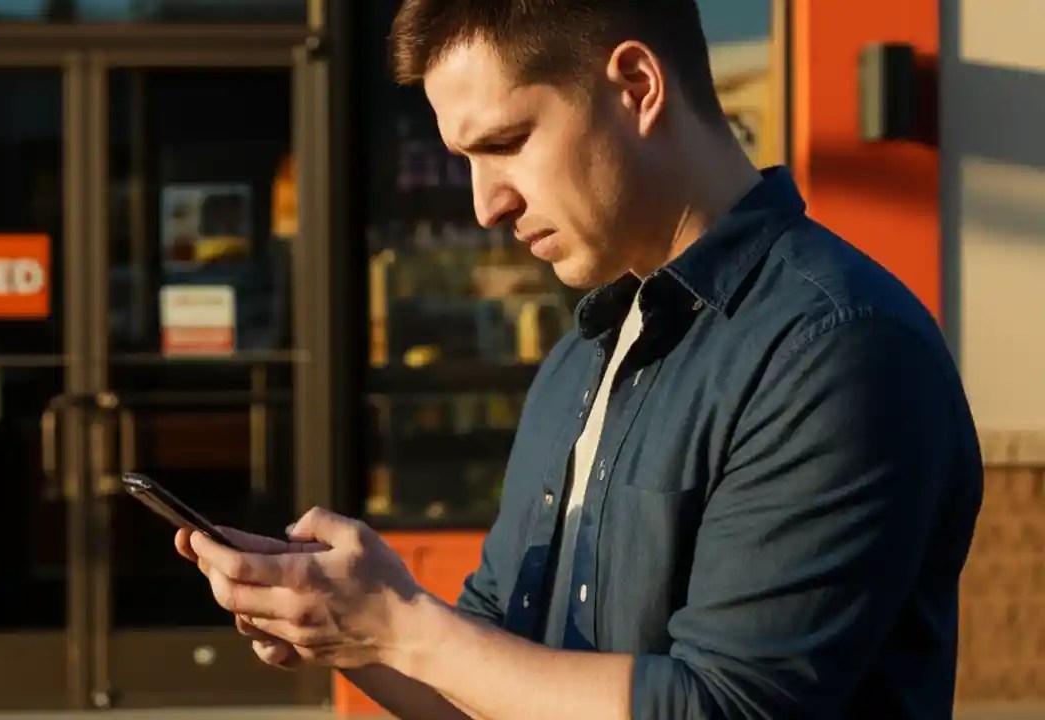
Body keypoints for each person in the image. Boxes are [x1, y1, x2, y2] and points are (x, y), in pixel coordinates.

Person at [176, 1, 984, 717]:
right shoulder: (582, 357)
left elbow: (725, 707)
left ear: (636, 86)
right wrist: (344, 629)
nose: (485, 203)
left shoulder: (837, 348)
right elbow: (490, 684)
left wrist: (399, 625)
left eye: (505, 143)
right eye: (466, 160)